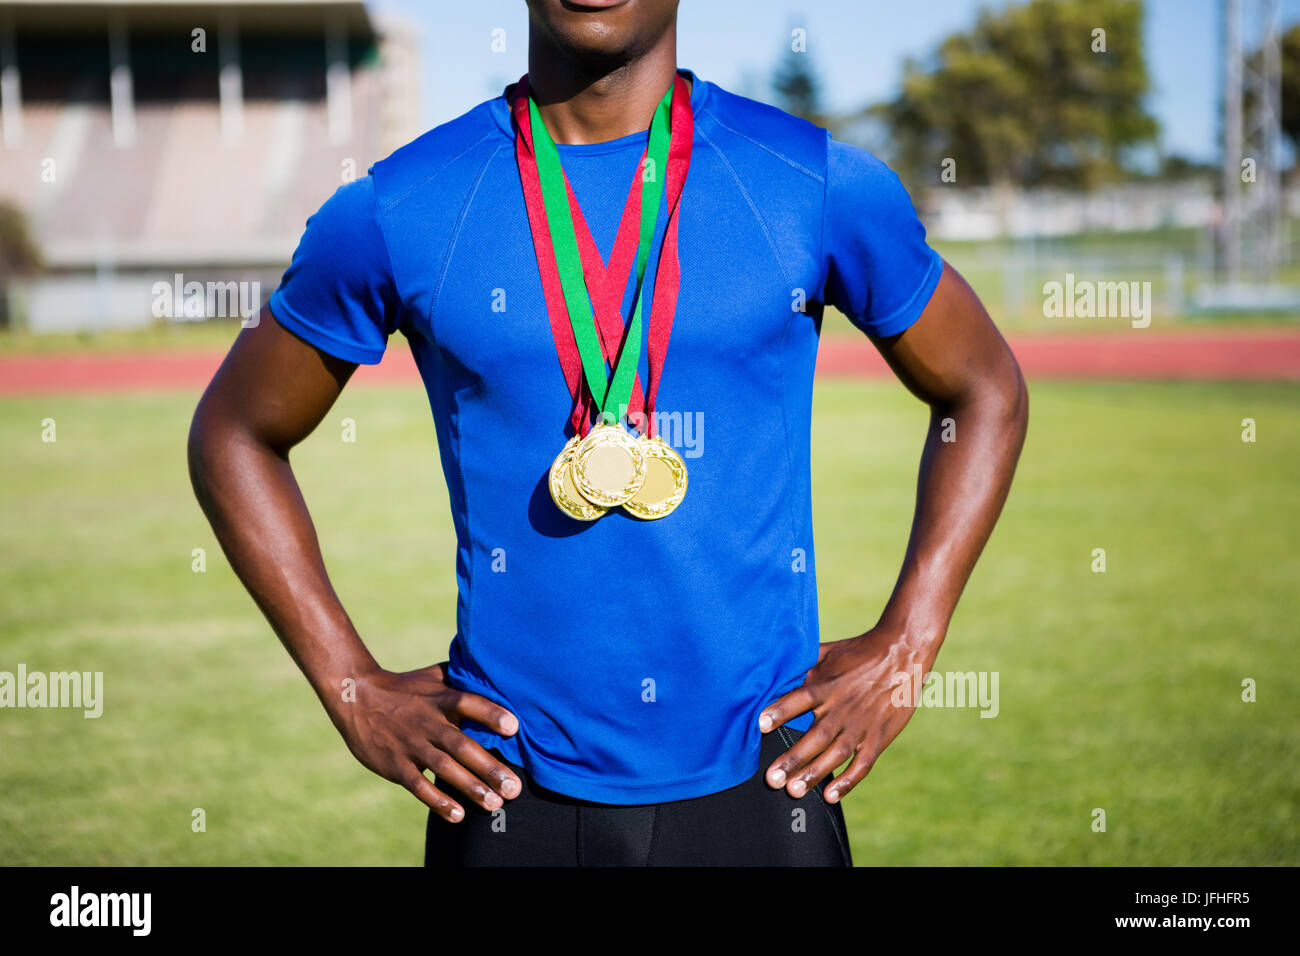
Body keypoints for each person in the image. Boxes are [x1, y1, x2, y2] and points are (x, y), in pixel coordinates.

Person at [188, 0, 1028, 867]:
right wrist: (351, 685)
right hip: (507, 797)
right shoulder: (400, 207)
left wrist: (911, 639)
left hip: (767, 786)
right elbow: (235, 432)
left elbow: (983, 386)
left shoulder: (809, 182)